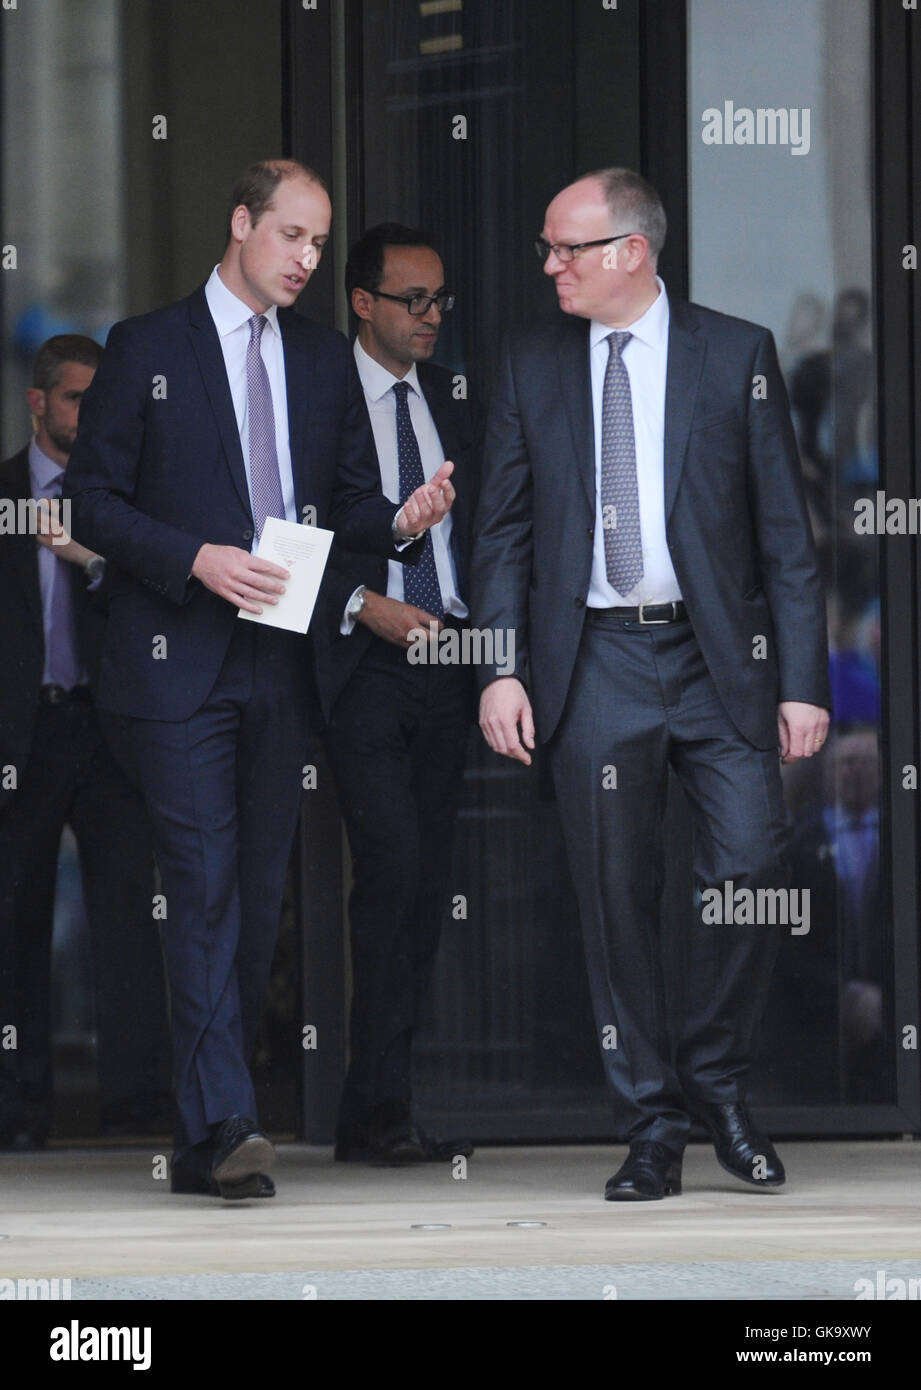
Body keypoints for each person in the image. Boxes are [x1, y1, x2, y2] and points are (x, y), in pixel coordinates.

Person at [63, 160, 454, 1200]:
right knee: (199, 884)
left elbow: (347, 503)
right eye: (291, 236)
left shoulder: (323, 359)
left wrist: (402, 521)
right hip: (178, 659)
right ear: (240, 224)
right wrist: (193, 557)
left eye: (319, 244)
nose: (306, 260)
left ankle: (210, 1120)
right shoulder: (146, 347)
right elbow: (92, 505)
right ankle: (222, 1122)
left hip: (284, 662)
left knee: (252, 896)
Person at [472, 168, 831, 1200]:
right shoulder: (531, 359)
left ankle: (715, 1078)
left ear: (631, 250)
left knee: (753, 863)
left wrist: (801, 683)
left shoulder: (736, 353)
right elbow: (497, 532)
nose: (547, 266)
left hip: (719, 663)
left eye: (564, 249)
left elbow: (784, 539)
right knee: (611, 897)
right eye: (546, 248)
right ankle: (651, 1124)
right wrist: (499, 667)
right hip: (595, 660)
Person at [316, 224, 482, 1164]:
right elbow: (273, 526)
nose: (429, 318)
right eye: (411, 301)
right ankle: (374, 1108)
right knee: (390, 870)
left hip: (445, 660)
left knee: (423, 888)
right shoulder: (317, 394)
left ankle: (380, 1104)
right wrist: (359, 601)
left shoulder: (452, 404)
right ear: (362, 302)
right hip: (361, 662)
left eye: (439, 302)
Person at [0, 335, 171, 1150]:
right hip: (22, 733)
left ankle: (135, 1107)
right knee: (14, 918)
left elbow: (162, 594)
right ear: (38, 404)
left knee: (130, 920)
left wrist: (94, 553)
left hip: (111, 732)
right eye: (75, 399)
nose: (91, 414)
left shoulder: (126, 496)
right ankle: (17, 1108)